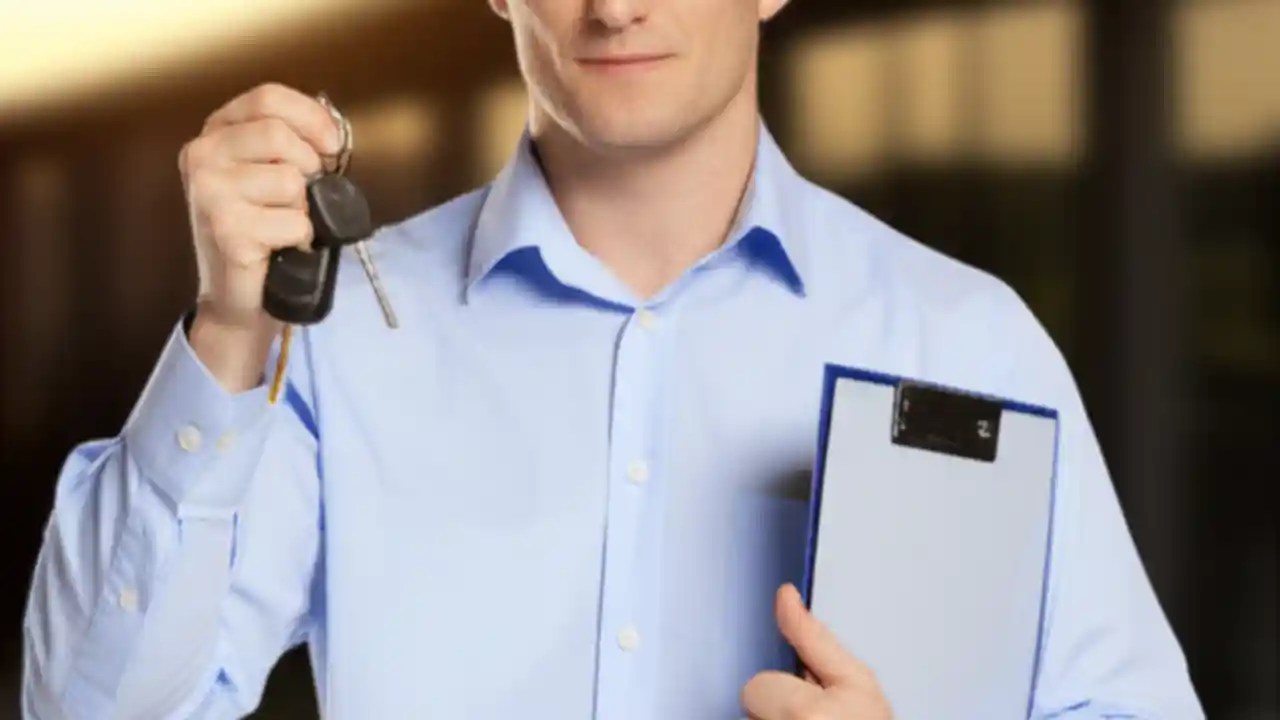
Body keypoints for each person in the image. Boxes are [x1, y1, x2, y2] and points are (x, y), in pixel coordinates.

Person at [22, 0, 1203, 718]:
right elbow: (94, 711)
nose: (614, 8)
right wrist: (230, 332)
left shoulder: (963, 338)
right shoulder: (338, 339)